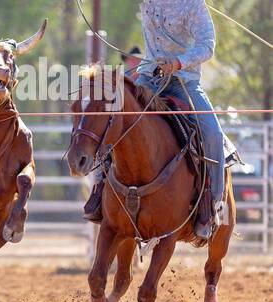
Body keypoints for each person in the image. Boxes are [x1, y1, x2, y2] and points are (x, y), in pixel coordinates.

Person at [86, 0, 228, 240]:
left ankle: (213, 205)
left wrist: (178, 63)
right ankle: (100, 188)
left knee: (213, 133)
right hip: (148, 77)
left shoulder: (193, 5)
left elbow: (208, 45)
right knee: (112, 115)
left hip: (184, 81)